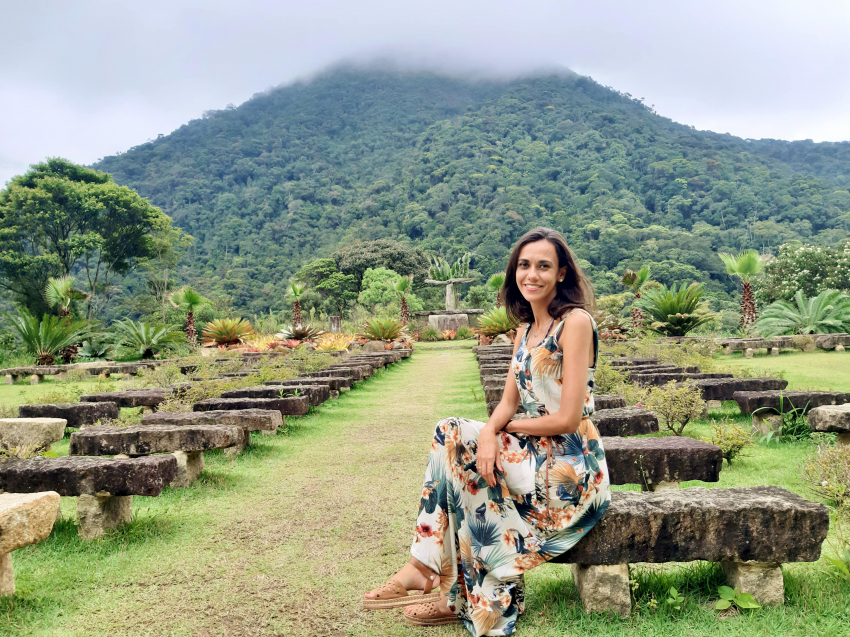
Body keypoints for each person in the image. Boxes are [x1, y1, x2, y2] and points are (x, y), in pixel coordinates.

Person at [364, 227, 610, 636]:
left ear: (562, 273)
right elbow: (507, 404)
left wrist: (501, 431)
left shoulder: (575, 322)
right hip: (527, 451)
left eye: (543, 266)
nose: (532, 274)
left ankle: (435, 579)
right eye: (524, 265)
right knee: (452, 439)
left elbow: (568, 419)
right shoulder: (524, 331)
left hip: (569, 464)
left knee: (459, 448)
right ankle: (436, 578)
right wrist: (493, 434)